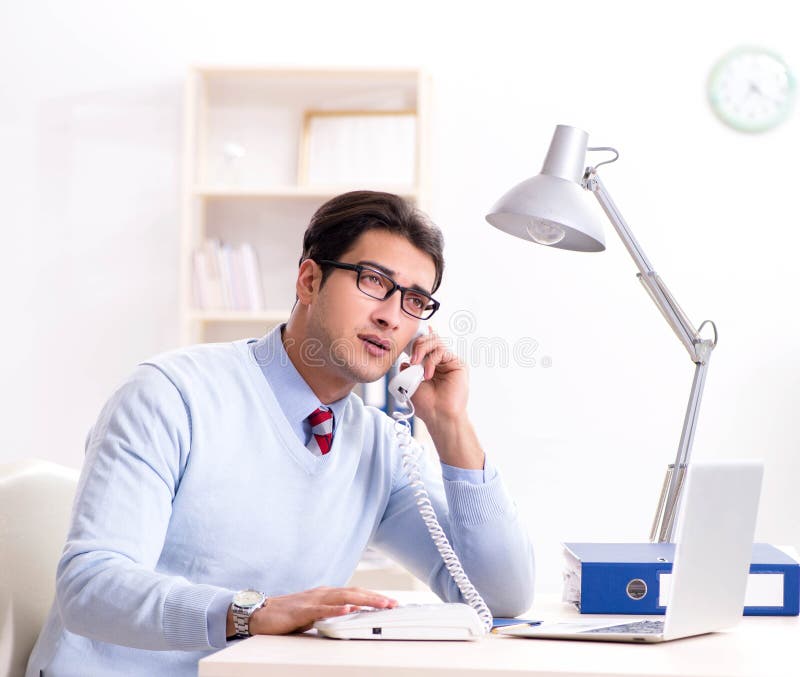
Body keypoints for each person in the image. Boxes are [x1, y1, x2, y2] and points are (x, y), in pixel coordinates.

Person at [27, 191, 535, 676]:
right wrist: (248, 612)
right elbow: (89, 587)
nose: (389, 314)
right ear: (309, 281)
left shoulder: (380, 443)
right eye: (374, 281)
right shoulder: (171, 394)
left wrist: (450, 424)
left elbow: (499, 598)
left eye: (414, 301)